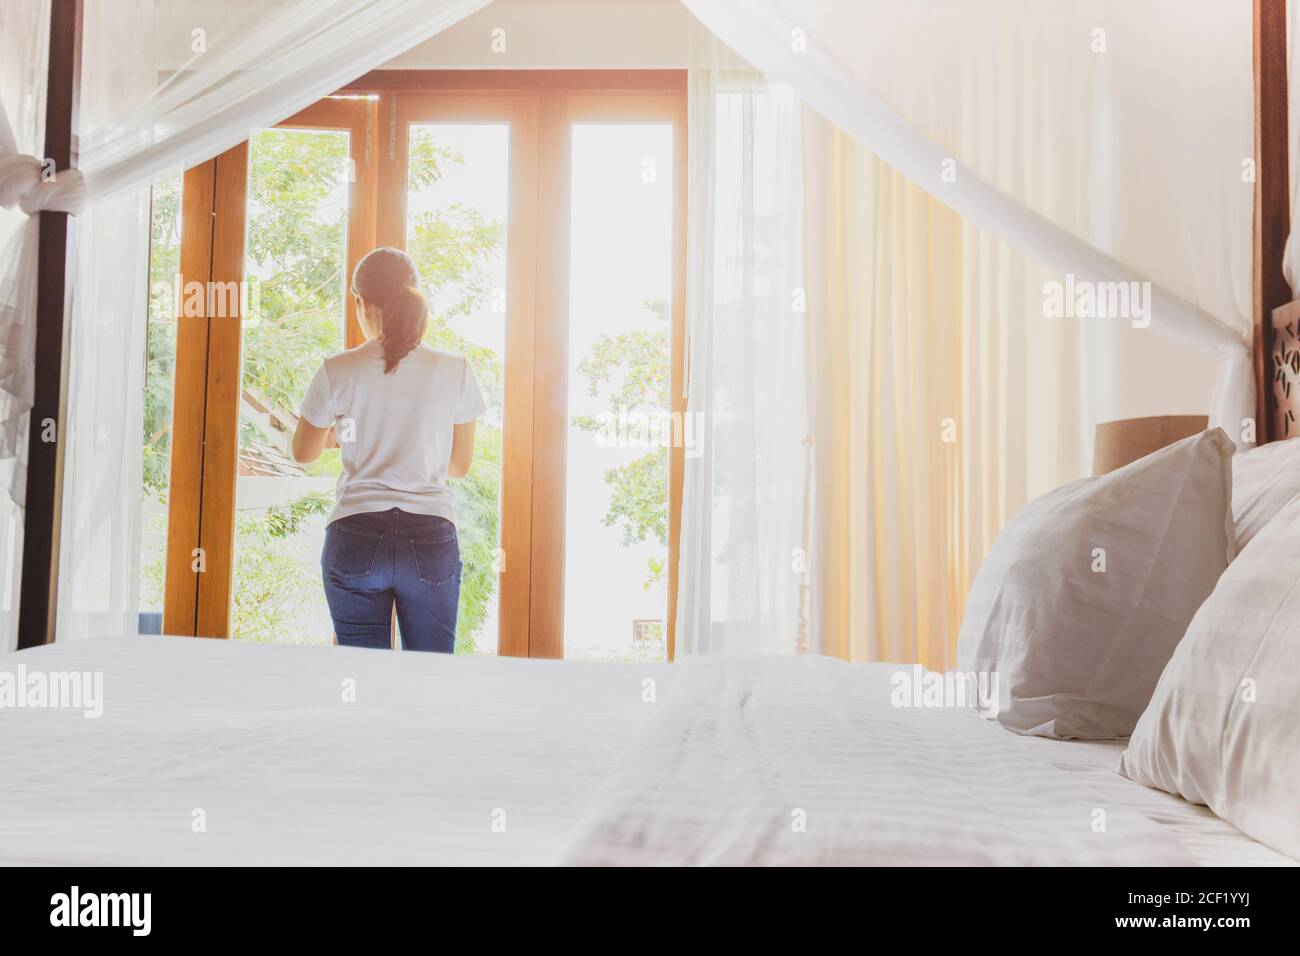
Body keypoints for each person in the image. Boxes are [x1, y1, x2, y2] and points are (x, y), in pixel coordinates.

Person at [292, 247, 486, 652]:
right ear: (413, 295)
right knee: (428, 679)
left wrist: (337, 435)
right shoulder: (455, 369)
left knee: (361, 680)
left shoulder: (337, 369)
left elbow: (303, 452)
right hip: (430, 538)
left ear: (360, 303)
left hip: (356, 536)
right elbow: (459, 465)